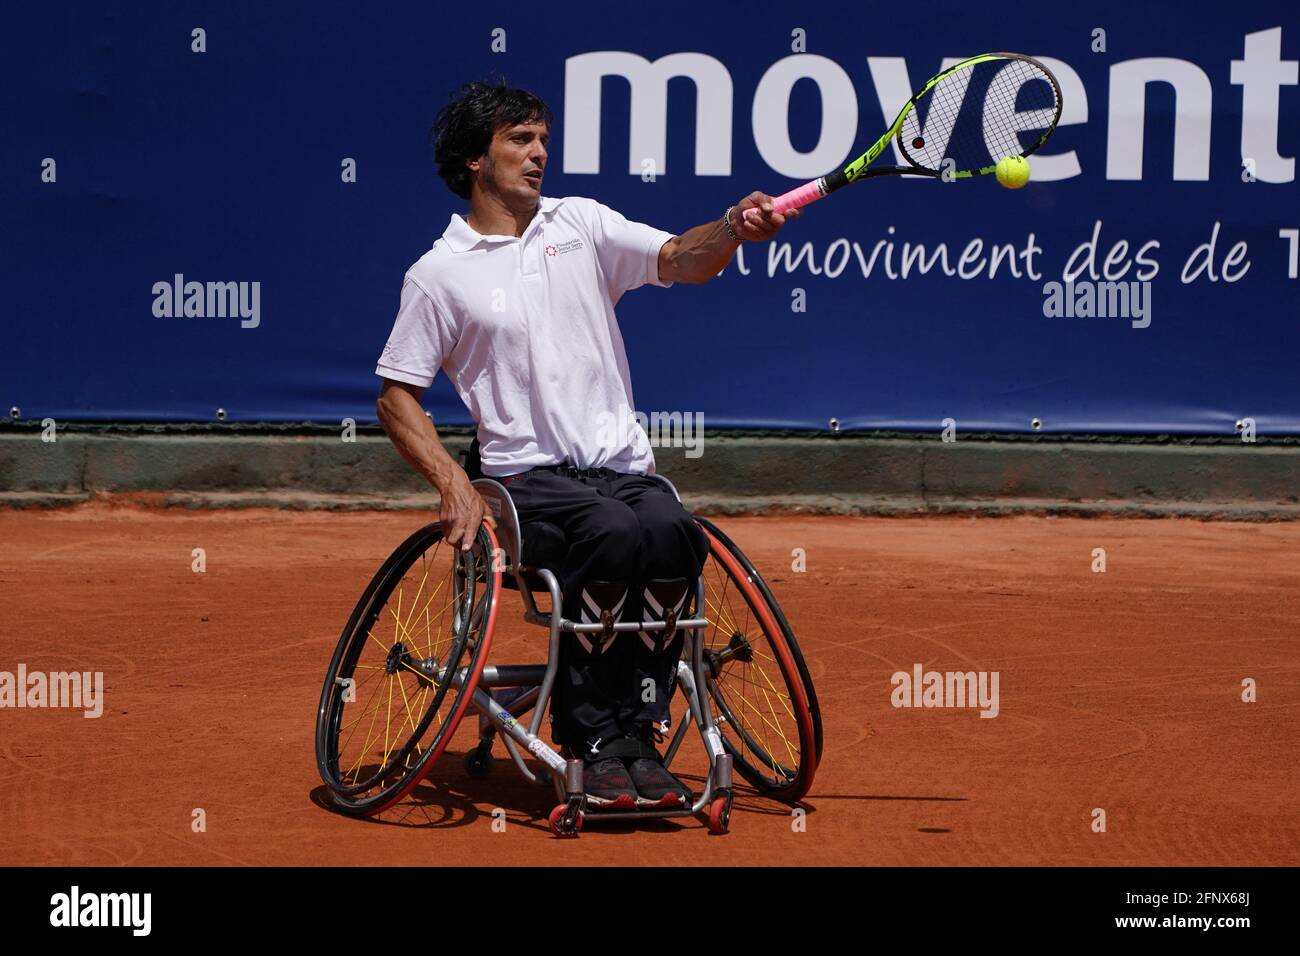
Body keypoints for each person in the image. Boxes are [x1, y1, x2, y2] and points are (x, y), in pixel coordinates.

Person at [374, 79, 798, 811]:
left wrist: (731, 225)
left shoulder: (584, 224)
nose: (539, 153)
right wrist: (453, 482)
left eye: (542, 138)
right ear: (476, 159)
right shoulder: (439, 274)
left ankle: (640, 724)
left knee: (669, 530)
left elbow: (683, 259)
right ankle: (593, 736)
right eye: (519, 139)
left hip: (620, 469)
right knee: (607, 532)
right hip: (527, 482)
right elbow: (395, 395)